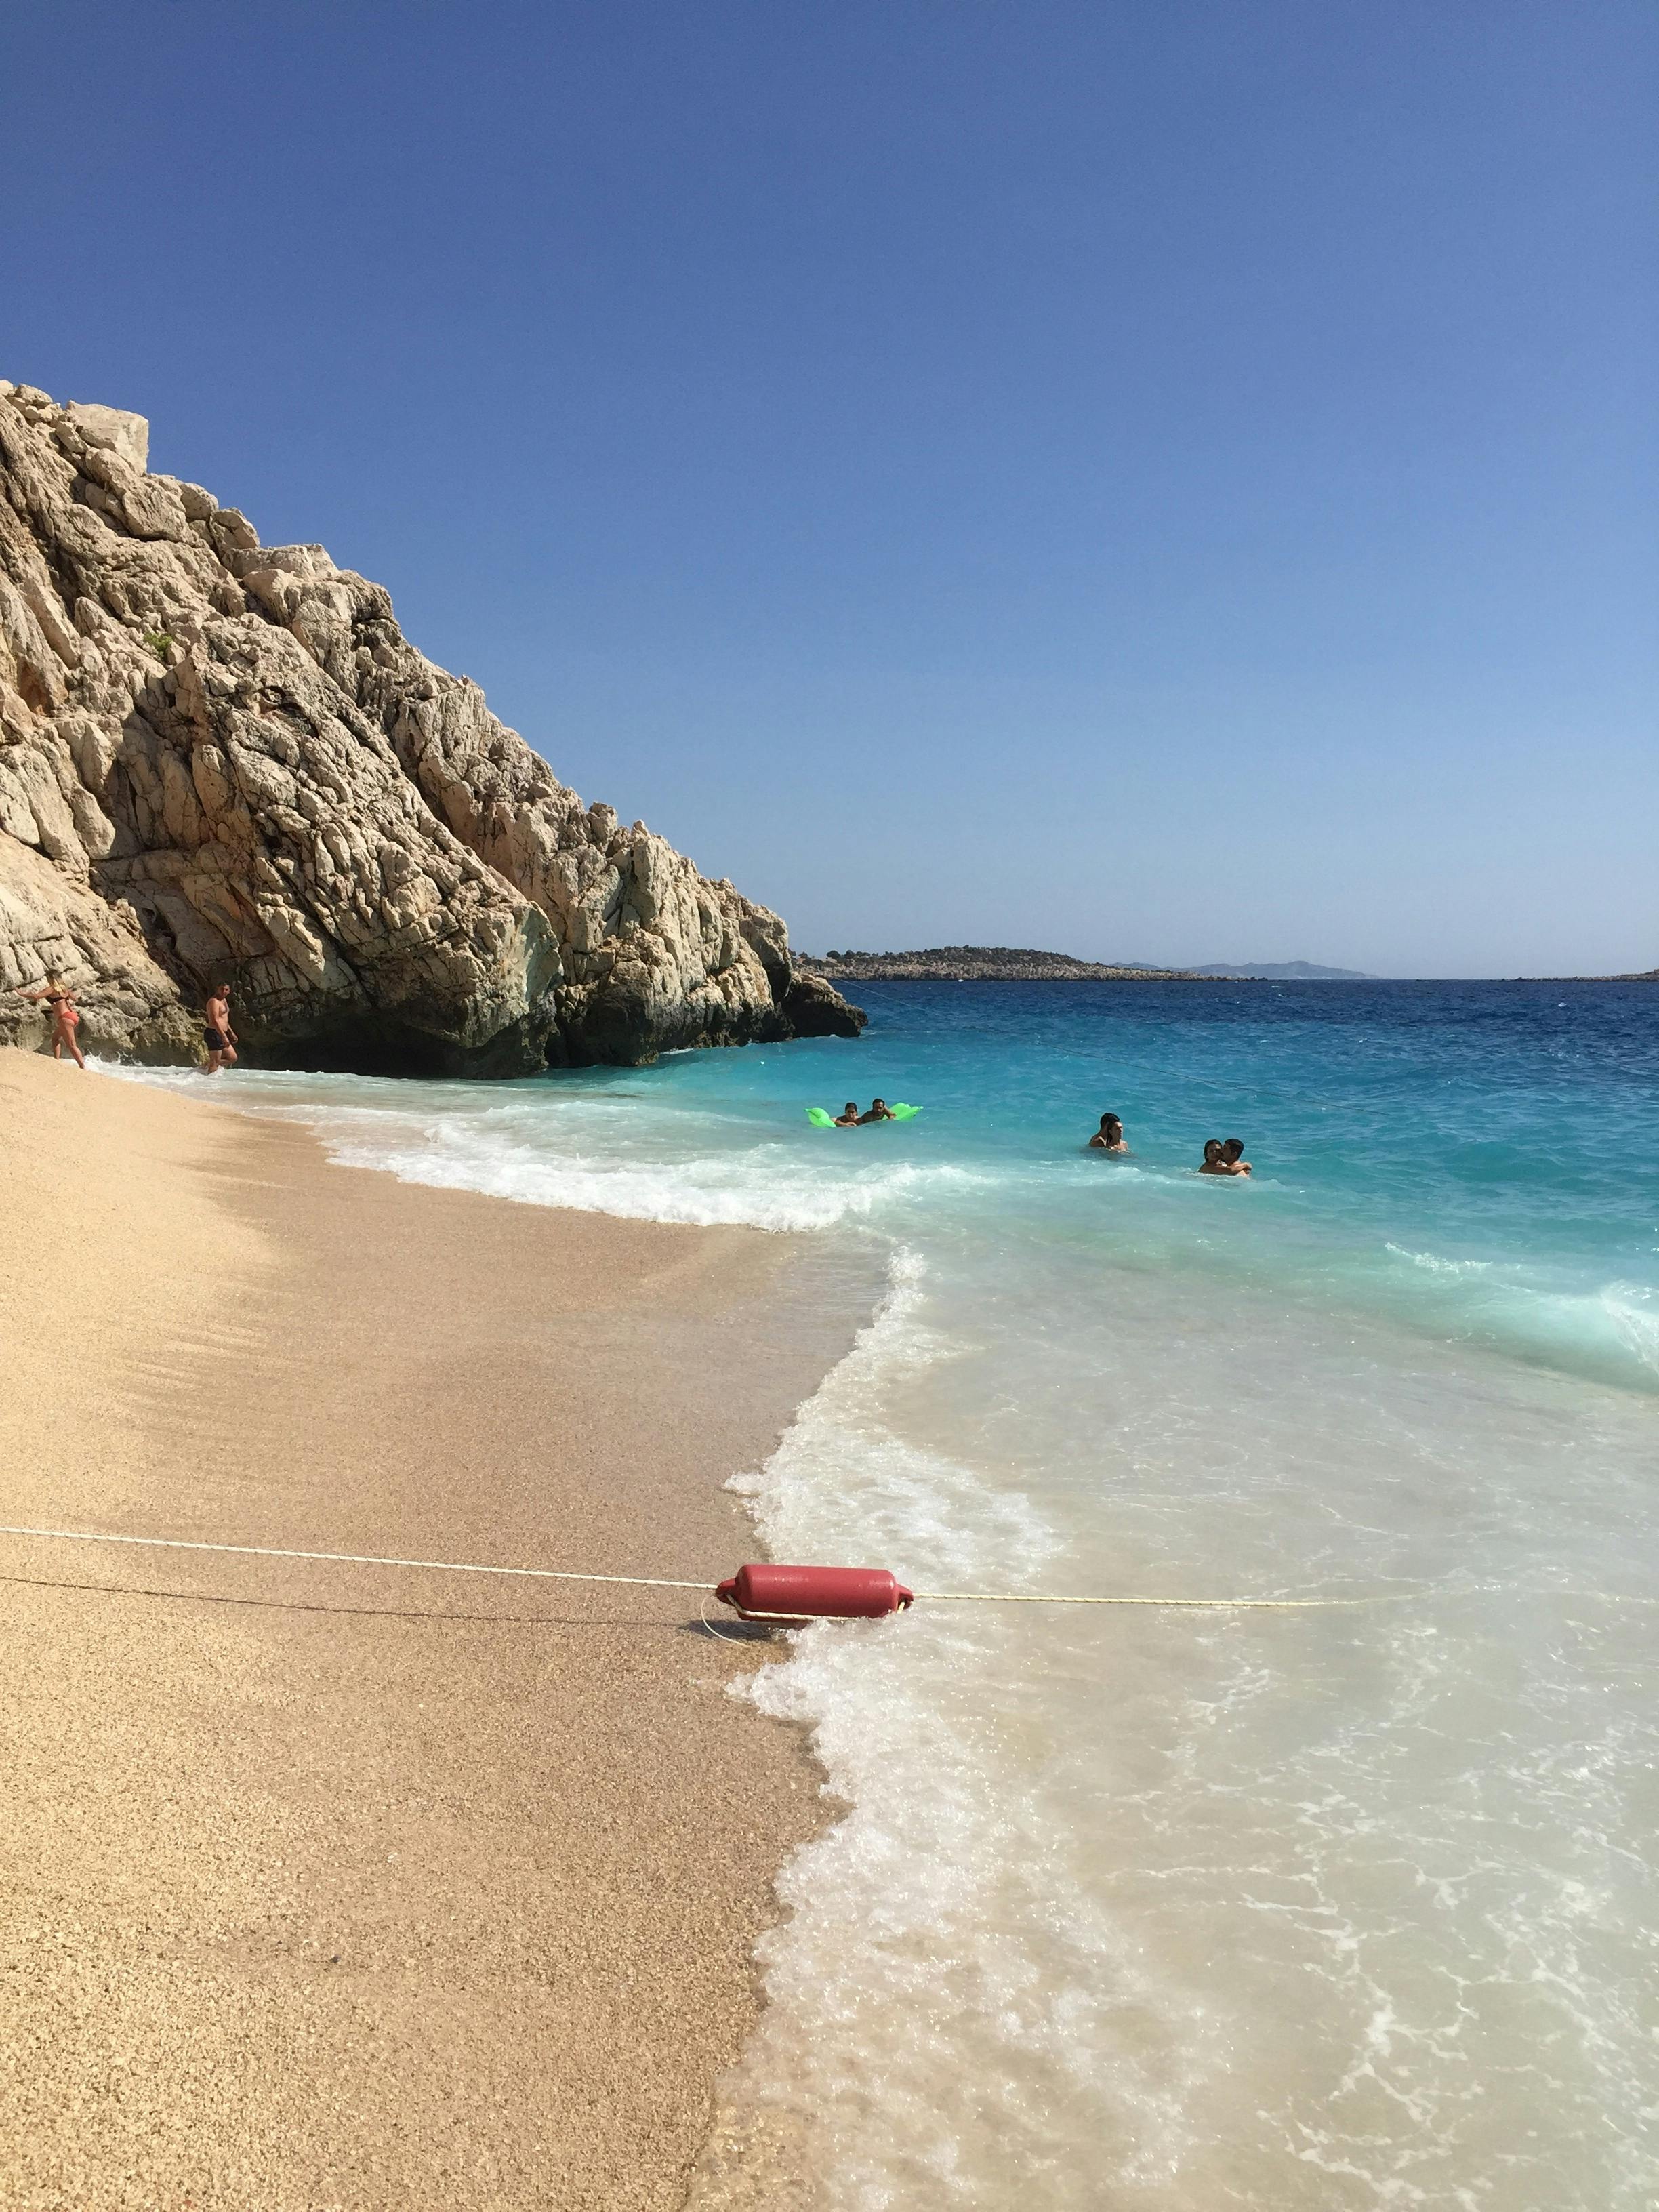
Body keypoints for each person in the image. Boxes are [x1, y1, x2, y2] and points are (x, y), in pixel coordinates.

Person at [16, 978, 85, 1069]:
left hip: (64, 1018)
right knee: (55, 1038)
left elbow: (36, 996)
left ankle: (82, 1066)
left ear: (51, 979)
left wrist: (21, 993)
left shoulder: (52, 989)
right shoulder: (65, 989)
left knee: (72, 1045)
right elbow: (75, 999)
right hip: (72, 1016)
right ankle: (57, 1060)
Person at [203, 983, 239, 1074]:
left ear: (229, 991)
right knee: (215, 1063)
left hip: (222, 1033)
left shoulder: (224, 1000)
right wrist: (224, 1036)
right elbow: (214, 1021)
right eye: (222, 989)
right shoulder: (214, 1001)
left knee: (232, 1058)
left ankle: (205, 1067)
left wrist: (231, 1033)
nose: (224, 991)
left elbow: (224, 1019)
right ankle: (209, 1078)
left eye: (226, 990)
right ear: (217, 989)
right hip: (214, 1033)